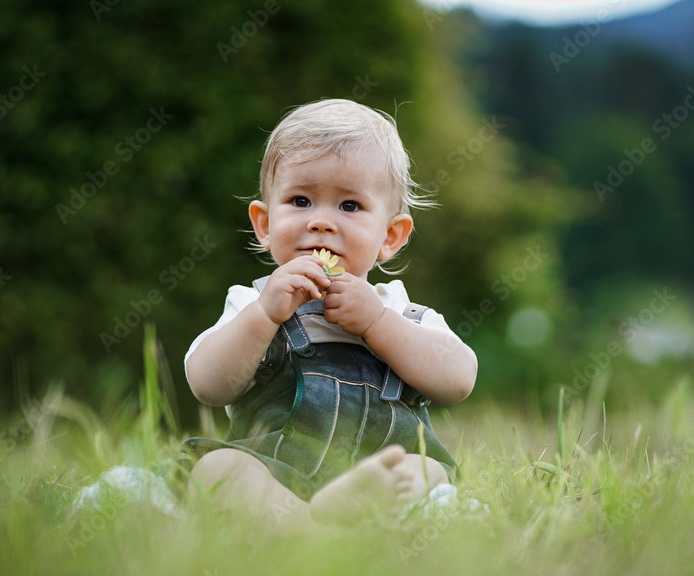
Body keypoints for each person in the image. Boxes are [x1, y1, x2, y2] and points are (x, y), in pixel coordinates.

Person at [182, 98, 478, 529]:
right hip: (275, 474)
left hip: (379, 470)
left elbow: (458, 380)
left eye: (350, 206)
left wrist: (377, 323)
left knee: (426, 472)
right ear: (264, 224)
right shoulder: (252, 303)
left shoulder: (402, 311)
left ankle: (352, 511)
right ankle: (305, 528)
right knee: (216, 470)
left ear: (390, 236)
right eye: (300, 200)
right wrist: (265, 317)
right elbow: (207, 385)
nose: (321, 222)